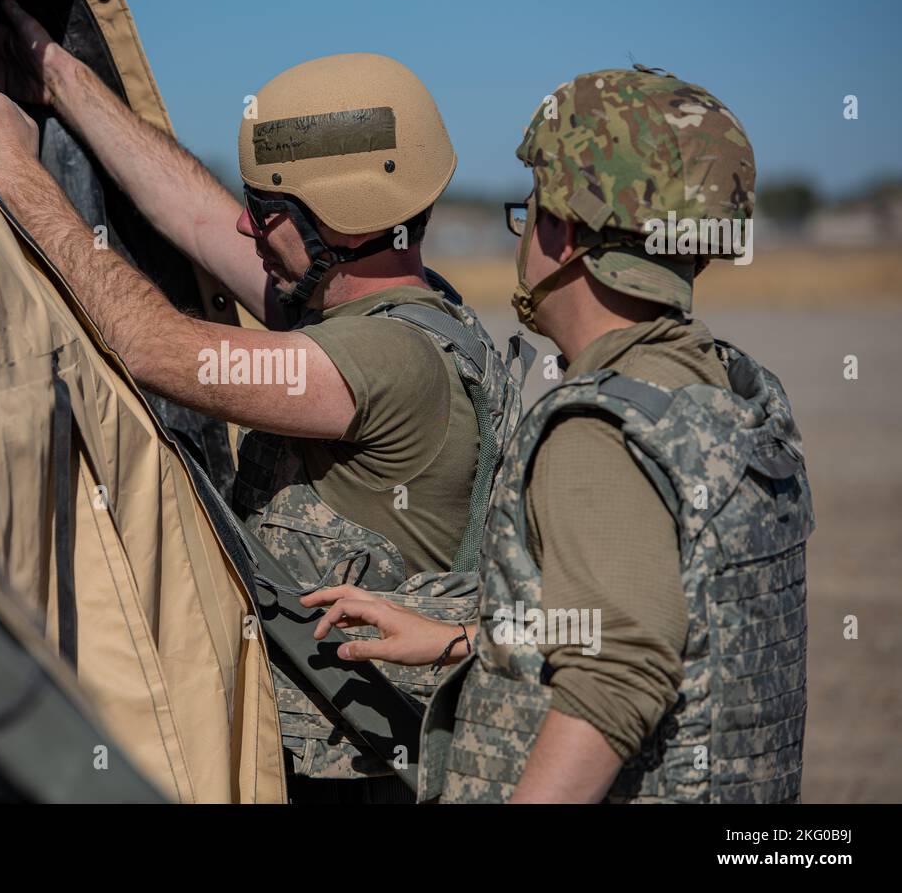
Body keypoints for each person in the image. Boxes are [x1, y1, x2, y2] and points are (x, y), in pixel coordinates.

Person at [0, 0, 521, 802]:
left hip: (353, 776)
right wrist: (59, 78)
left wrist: (10, 167)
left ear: (336, 225)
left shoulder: (377, 362)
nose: (250, 229)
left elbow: (155, 348)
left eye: (269, 211)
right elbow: (194, 218)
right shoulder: (395, 303)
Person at [304, 66, 814, 803]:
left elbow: (616, 676)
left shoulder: (600, 428)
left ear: (565, 233)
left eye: (531, 211)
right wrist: (459, 639)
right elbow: (672, 625)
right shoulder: (735, 396)